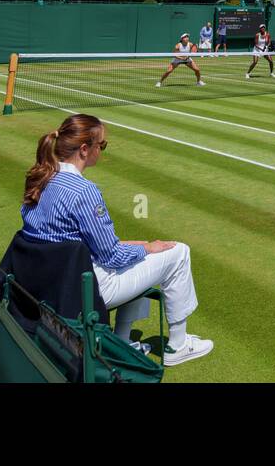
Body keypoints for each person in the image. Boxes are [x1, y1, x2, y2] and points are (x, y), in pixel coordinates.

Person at [19, 114, 213, 366]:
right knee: (179, 252)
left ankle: (120, 342)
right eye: (103, 145)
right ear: (85, 149)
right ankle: (178, 345)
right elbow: (112, 257)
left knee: (141, 250)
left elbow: (80, 244)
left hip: (48, 284)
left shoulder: (41, 178)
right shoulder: (84, 191)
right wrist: (146, 249)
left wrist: (142, 246)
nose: (103, 151)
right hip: (84, 290)